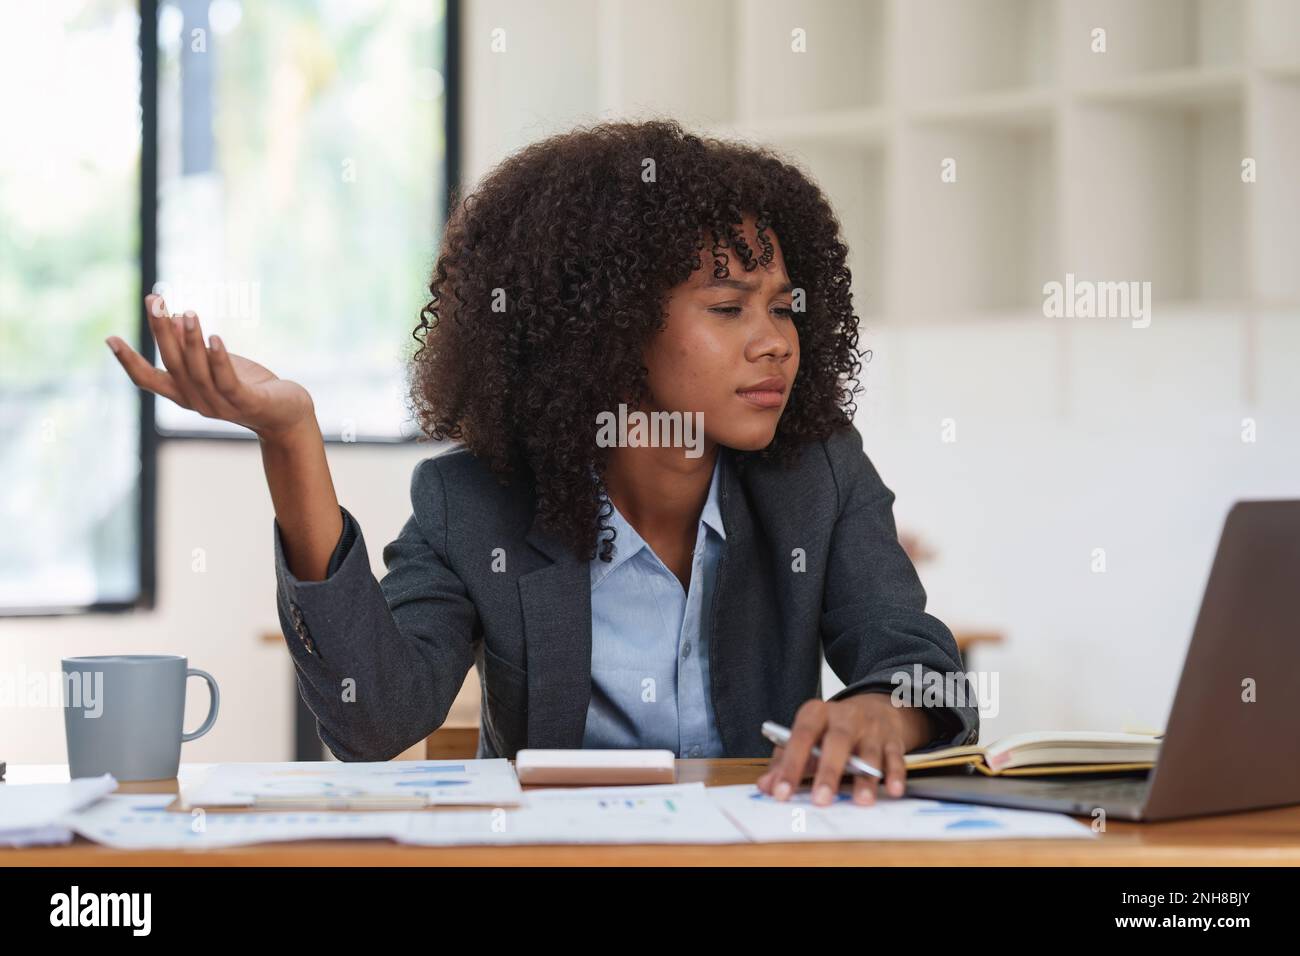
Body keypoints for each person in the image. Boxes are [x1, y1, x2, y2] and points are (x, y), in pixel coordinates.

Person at [107, 119, 977, 808]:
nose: (775, 343)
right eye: (728, 307)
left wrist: (885, 710)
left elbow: (920, 660)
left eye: (783, 308)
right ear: (608, 329)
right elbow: (372, 718)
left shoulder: (815, 477)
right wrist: (291, 439)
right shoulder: (473, 504)